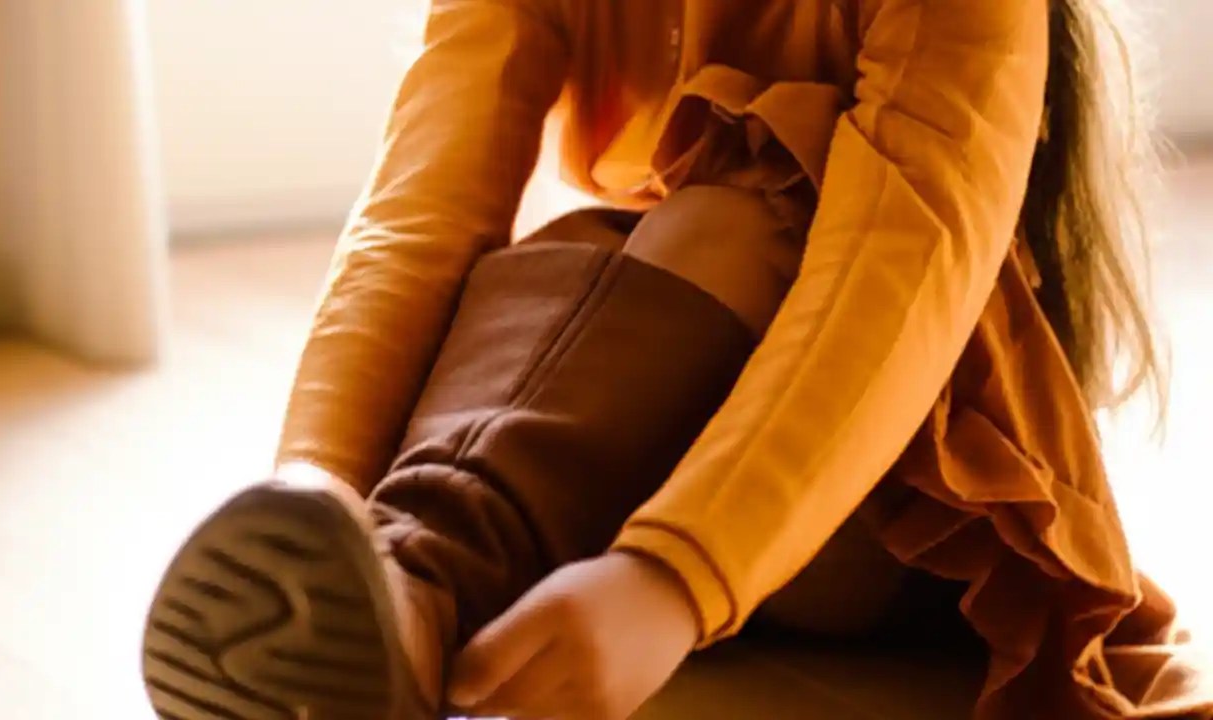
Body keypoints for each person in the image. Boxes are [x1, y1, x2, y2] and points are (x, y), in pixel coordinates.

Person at [140, 1, 1211, 719]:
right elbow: (419, 215)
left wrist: (671, 575)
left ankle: (423, 593)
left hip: (903, 509)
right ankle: (399, 574)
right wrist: (322, 484)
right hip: (667, 455)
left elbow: (895, 280)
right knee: (562, 271)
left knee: (738, 209)